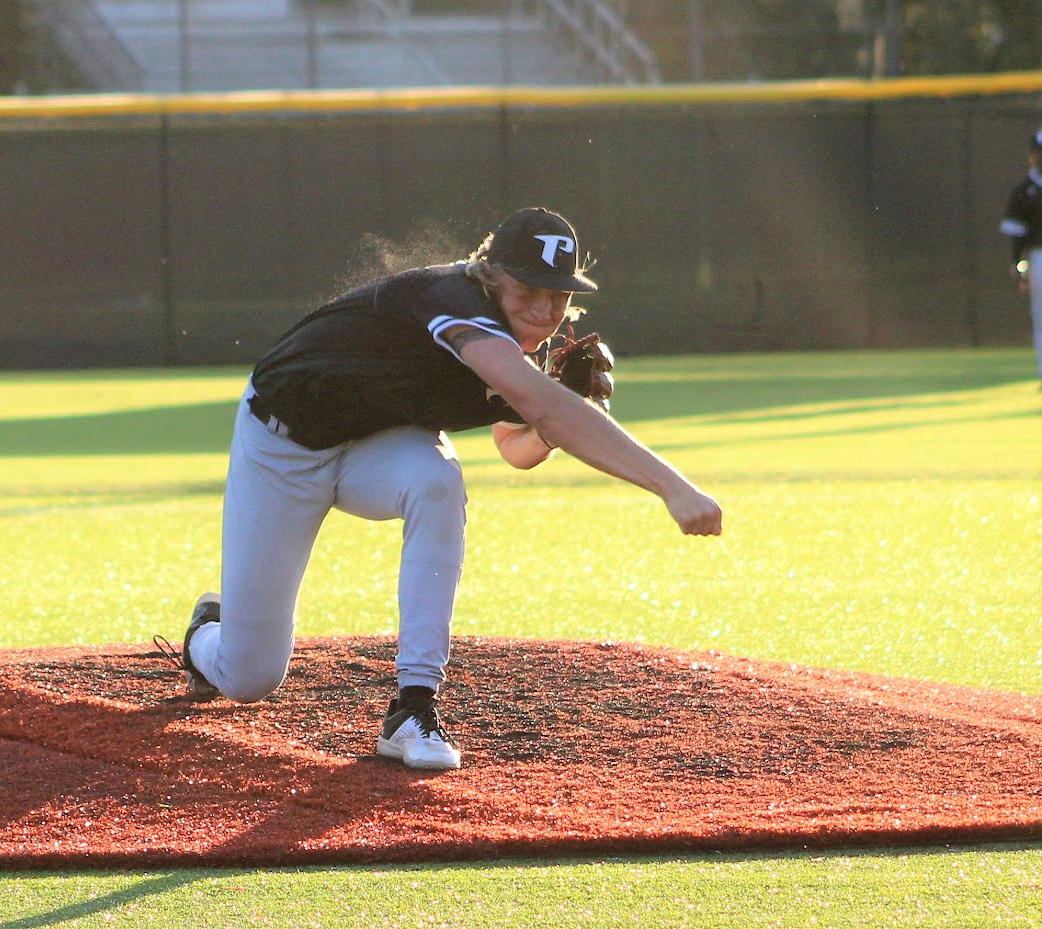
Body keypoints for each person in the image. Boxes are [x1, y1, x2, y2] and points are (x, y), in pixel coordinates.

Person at [164, 207, 723, 771]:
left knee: (437, 479)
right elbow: (544, 410)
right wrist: (670, 486)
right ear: (491, 273)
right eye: (528, 287)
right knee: (249, 675)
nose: (543, 308)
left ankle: (413, 708)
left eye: (557, 295)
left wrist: (569, 414)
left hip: (375, 448)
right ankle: (204, 635)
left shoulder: (516, 355)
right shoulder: (452, 300)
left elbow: (517, 447)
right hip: (282, 446)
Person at [1000, 128, 1042, 385]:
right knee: (1041, 317)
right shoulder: (1024, 189)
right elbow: (1016, 233)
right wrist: (1017, 265)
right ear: (1032, 156)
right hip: (1039, 256)